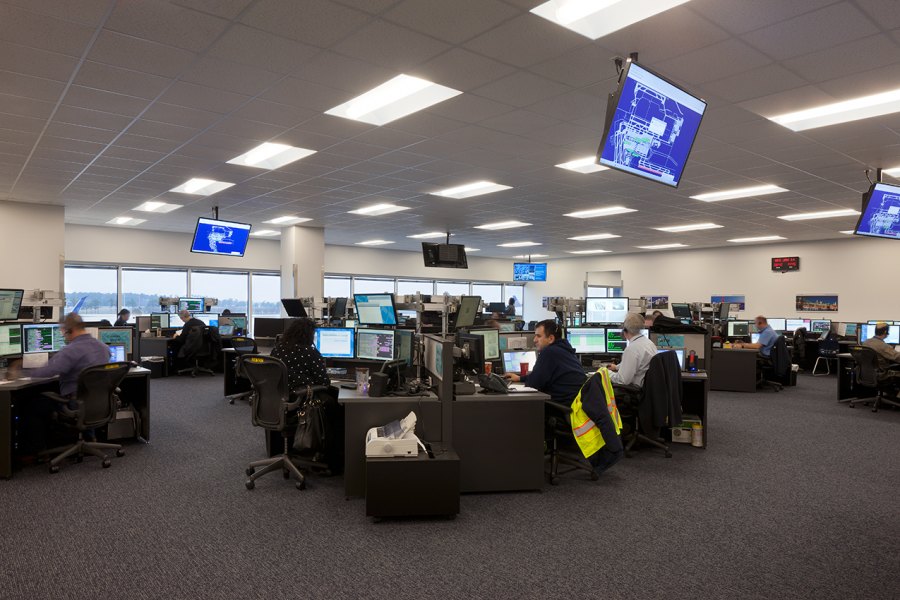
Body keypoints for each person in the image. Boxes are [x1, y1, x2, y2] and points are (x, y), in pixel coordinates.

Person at [8, 313, 113, 452]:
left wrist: (20, 373)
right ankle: (89, 439)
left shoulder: (70, 350)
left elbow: (47, 372)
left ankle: (37, 451)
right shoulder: (103, 347)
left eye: (63, 332)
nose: (64, 336)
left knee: (30, 406)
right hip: (99, 403)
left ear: (70, 330)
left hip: (74, 403)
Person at [503, 319, 585, 405]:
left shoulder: (549, 352)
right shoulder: (565, 350)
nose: (534, 340)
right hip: (574, 403)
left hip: (561, 405)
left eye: (538, 336)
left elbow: (533, 384)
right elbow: (540, 377)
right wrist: (520, 378)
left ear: (551, 338)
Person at [270, 318, 330, 391]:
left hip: (276, 395)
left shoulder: (277, 349)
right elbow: (324, 381)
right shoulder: (310, 352)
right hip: (301, 397)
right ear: (309, 335)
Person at [607, 312, 657, 387]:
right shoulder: (649, 343)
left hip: (635, 390)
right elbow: (638, 364)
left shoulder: (632, 349)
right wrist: (616, 367)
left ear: (625, 331)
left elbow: (622, 380)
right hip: (648, 388)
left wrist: (606, 373)